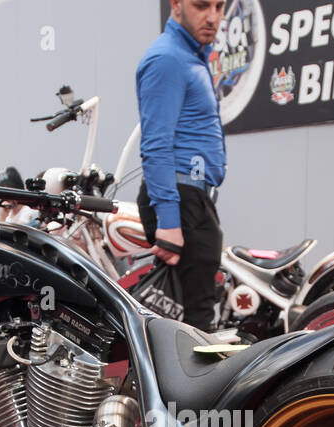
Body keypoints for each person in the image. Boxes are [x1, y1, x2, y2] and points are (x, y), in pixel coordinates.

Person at [135, 0, 227, 329]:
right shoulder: (168, 59)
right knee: (195, 325)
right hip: (181, 199)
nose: (212, 17)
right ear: (176, 5)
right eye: (202, 6)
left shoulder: (190, 56)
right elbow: (155, 144)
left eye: (219, 6)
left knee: (188, 321)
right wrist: (169, 221)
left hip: (191, 197)